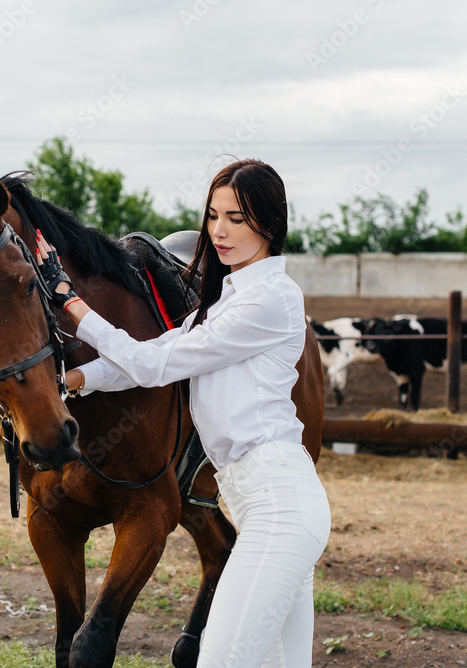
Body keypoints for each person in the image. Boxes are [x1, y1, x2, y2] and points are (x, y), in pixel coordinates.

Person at [36, 158, 331, 668]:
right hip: (261, 503)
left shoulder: (271, 300)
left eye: (236, 218)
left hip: (280, 508)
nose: (219, 231)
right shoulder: (223, 304)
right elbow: (147, 359)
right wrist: (72, 381)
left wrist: (71, 302)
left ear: (271, 223)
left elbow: (153, 362)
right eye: (213, 216)